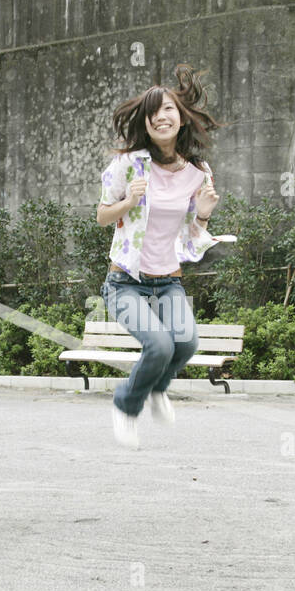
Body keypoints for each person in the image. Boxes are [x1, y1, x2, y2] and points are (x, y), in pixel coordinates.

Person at [97, 65, 222, 448]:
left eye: (167, 109)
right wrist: (128, 201)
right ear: (146, 125)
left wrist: (201, 214)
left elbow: (190, 240)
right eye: (152, 113)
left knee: (185, 343)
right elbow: (102, 216)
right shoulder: (127, 164)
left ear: (181, 117)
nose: (160, 117)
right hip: (125, 283)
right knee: (160, 345)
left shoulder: (198, 173)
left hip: (168, 280)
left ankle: (156, 388)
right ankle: (126, 405)